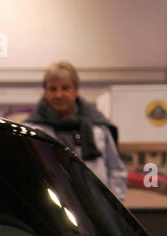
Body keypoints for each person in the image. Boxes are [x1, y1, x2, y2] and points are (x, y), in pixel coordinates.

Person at [25, 61, 126, 201]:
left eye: (65, 88)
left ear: (76, 91)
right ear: (45, 92)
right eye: (52, 89)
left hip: (97, 209)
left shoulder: (98, 129)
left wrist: (115, 206)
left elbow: (116, 171)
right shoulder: (32, 131)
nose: (59, 95)